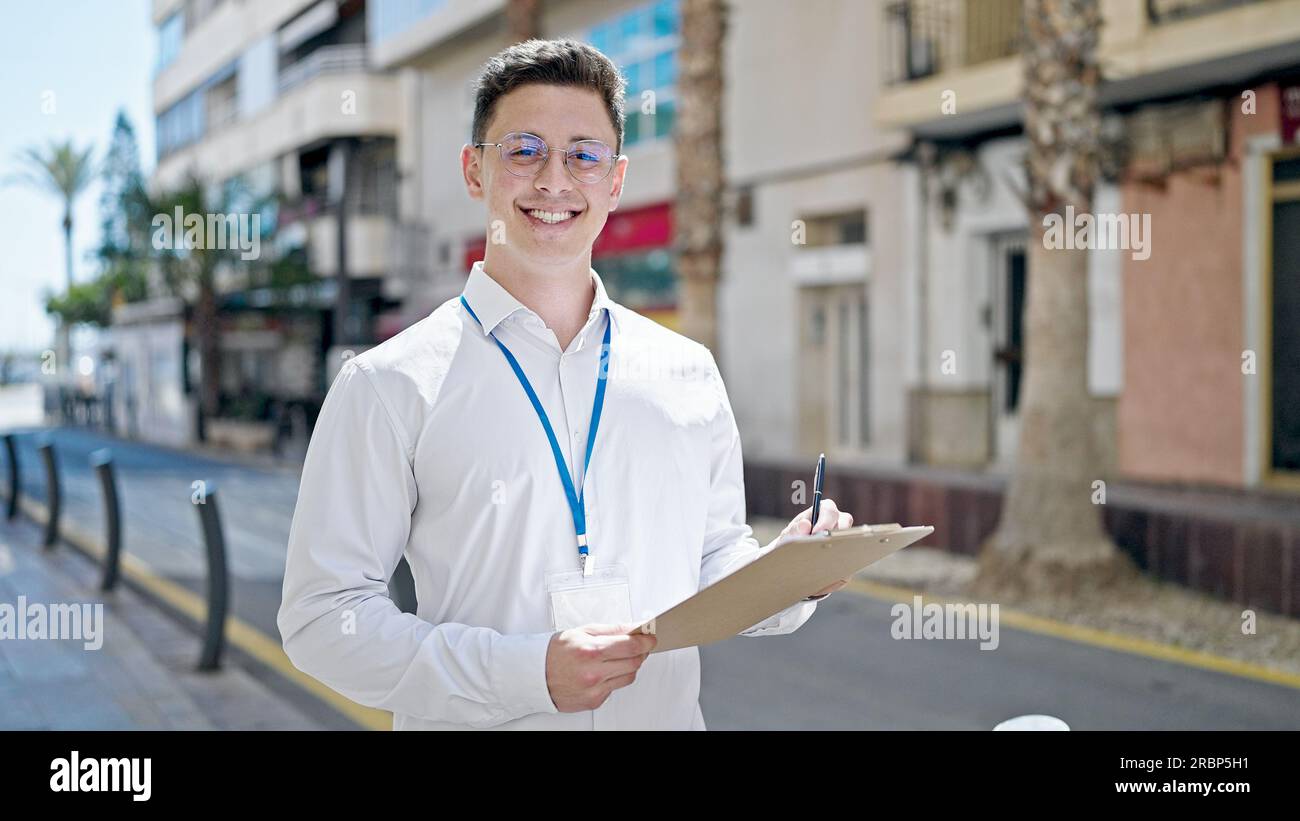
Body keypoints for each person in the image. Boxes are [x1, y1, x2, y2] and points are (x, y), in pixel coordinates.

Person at [277, 38, 856, 731]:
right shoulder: (387, 383)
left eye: (583, 155)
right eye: (523, 151)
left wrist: (788, 574)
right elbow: (322, 618)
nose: (554, 181)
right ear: (473, 171)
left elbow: (711, 561)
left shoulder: (687, 370)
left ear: (614, 180)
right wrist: (523, 673)